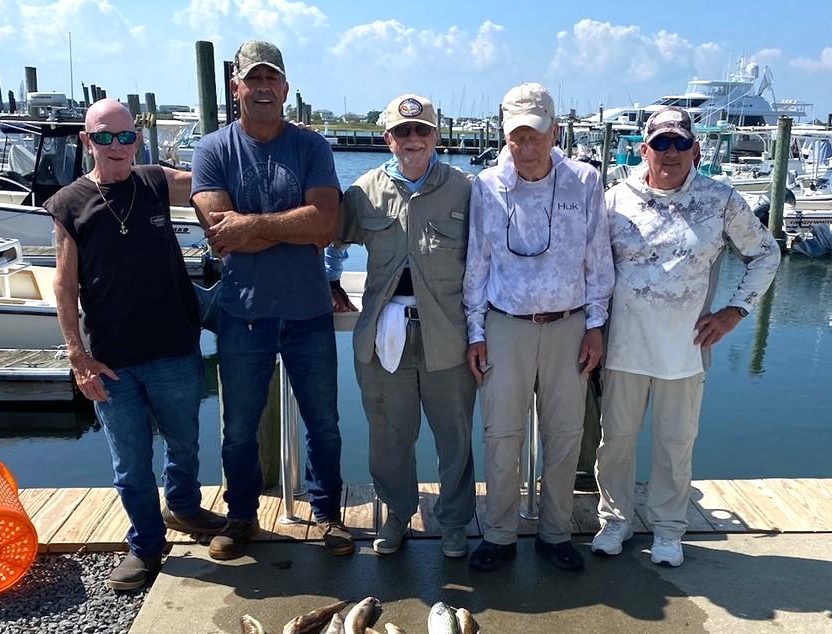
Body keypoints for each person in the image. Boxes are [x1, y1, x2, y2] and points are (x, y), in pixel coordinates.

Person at [45, 98, 226, 592]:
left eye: (126, 136)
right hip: (111, 361)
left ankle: (184, 508)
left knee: (184, 442)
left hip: (174, 348)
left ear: (138, 140)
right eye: (104, 137)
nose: (116, 146)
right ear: (87, 141)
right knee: (130, 464)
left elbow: (215, 176)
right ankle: (145, 544)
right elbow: (64, 286)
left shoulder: (153, 181)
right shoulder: (69, 203)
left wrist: (269, 137)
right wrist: (76, 356)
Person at [592, 107, 781, 567]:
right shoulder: (614, 199)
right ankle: (613, 520)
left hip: (686, 349)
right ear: (644, 150)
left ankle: (669, 528)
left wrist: (735, 312)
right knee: (615, 440)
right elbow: (591, 271)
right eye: (660, 144)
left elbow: (766, 253)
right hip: (622, 347)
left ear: (696, 149)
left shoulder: (722, 199)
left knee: (675, 444)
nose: (670, 153)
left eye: (679, 144)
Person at [191, 40, 354, 560]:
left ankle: (328, 513)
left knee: (324, 423)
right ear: (236, 87)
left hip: (309, 313)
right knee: (238, 427)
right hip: (243, 314)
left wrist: (253, 226)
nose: (262, 88)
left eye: (271, 79)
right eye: (252, 79)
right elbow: (219, 232)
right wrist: (292, 226)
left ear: (285, 88)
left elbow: (326, 224)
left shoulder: (312, 147)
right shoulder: (212, 149)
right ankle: (241, 516)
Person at [463, 82, 615, 572]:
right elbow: (476, 266)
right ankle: (500, 535)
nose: (526, 147)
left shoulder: (585, 180)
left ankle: (555, 533)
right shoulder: (485, 186)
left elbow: (598, 260)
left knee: (565, 433)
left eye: (535, 135)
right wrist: (476, 331)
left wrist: (596, 325)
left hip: (569, 325)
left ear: (554, 132)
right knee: (501, 435)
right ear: (505, 136)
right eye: (516, 137)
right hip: (505, 325)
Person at [326, 94, 477, 557]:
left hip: (448, 335)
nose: (413, 139)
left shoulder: (466, 189)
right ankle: (395, 515)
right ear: (387, 138)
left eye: (422, 131)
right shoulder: (363, 191)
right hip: (383, 334)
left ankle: (453, 522)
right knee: (389, 434)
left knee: (454, 435)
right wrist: (333, 282)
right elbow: (333, 238)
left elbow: (489, 257)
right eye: (403, 132)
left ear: (436, 136)